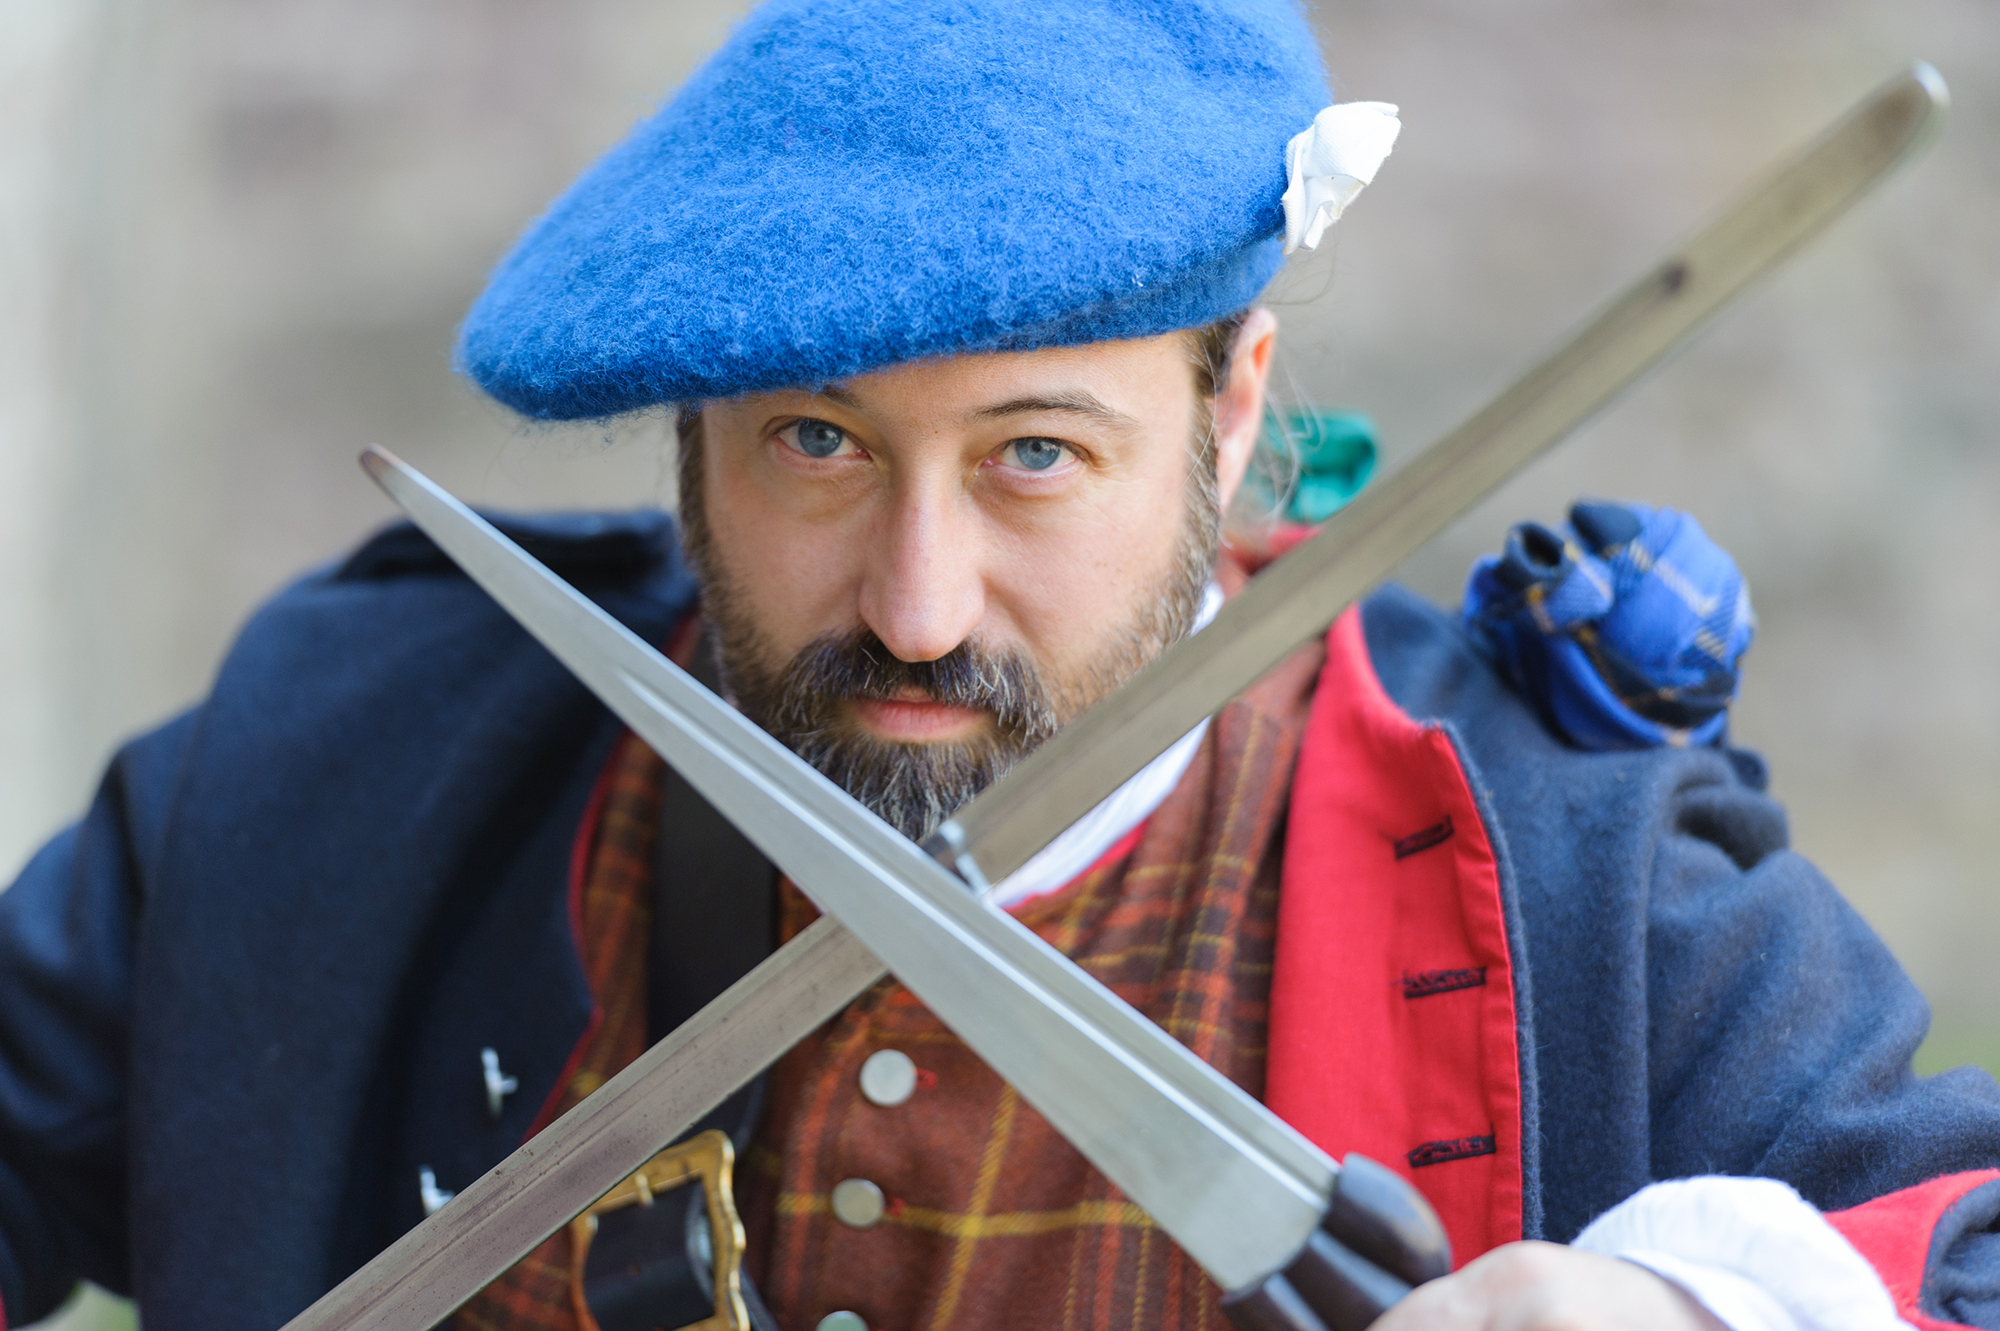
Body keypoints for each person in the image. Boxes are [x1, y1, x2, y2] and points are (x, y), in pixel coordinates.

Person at [2, 2, 1996, 1330]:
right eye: (816, 443)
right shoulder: (346, 767)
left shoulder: (1581, 886)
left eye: (1035, 455)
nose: (917, 604)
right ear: (692, 430)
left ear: (1233, 418)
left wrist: (1697, 1299)